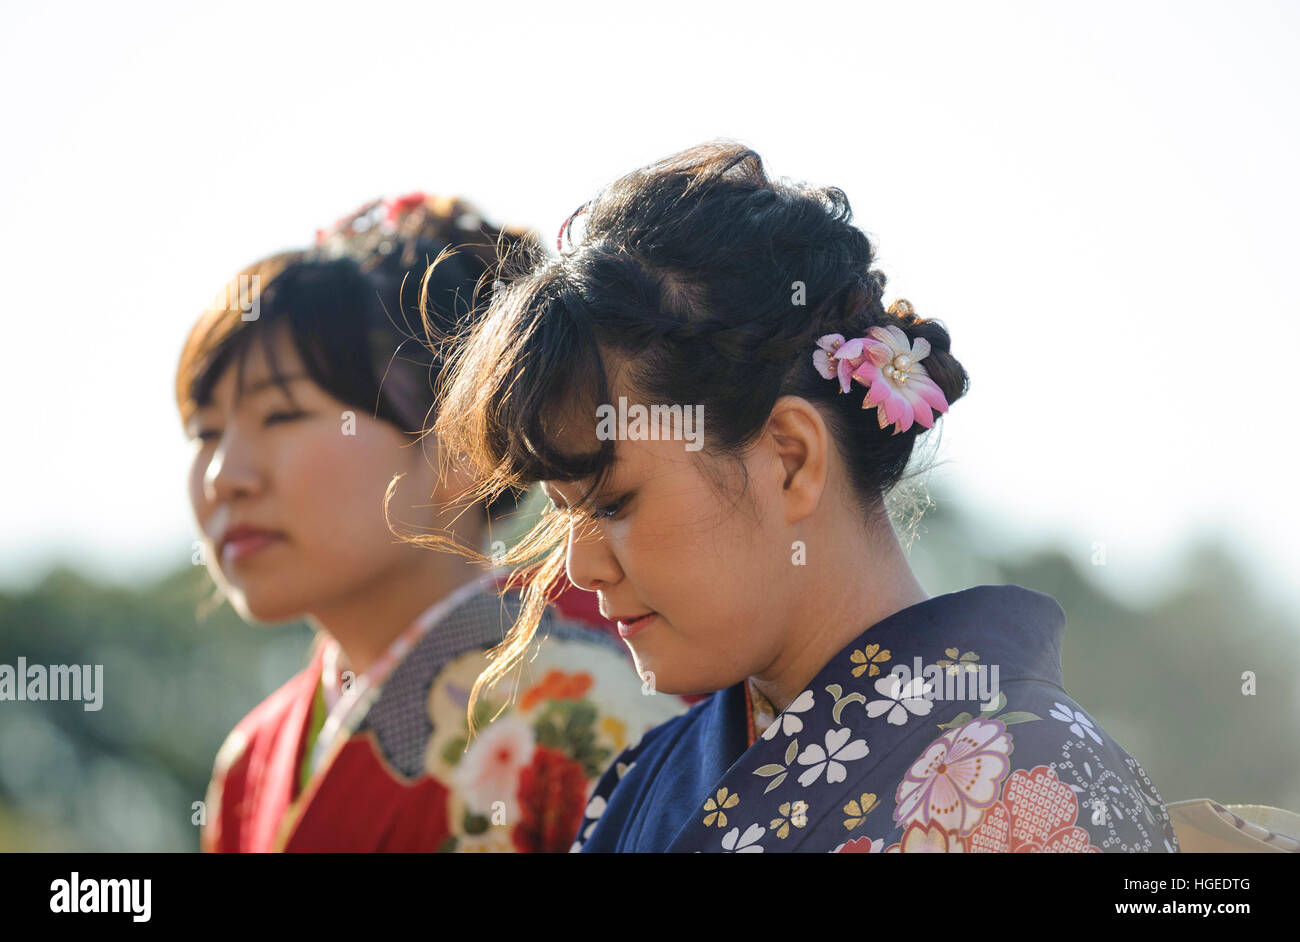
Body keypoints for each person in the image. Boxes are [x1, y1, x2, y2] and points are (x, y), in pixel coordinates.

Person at [427, 143, 1182, 853]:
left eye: (615, 503)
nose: (580, 566)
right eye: (564, 511)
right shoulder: (644, 783)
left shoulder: (1039, 784)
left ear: (791, 459)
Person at [176, 193, 684, 852]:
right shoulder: (250, 762)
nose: (224, 477)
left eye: (282, 416)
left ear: (461, 449)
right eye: (205, 431)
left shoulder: (590, 713)